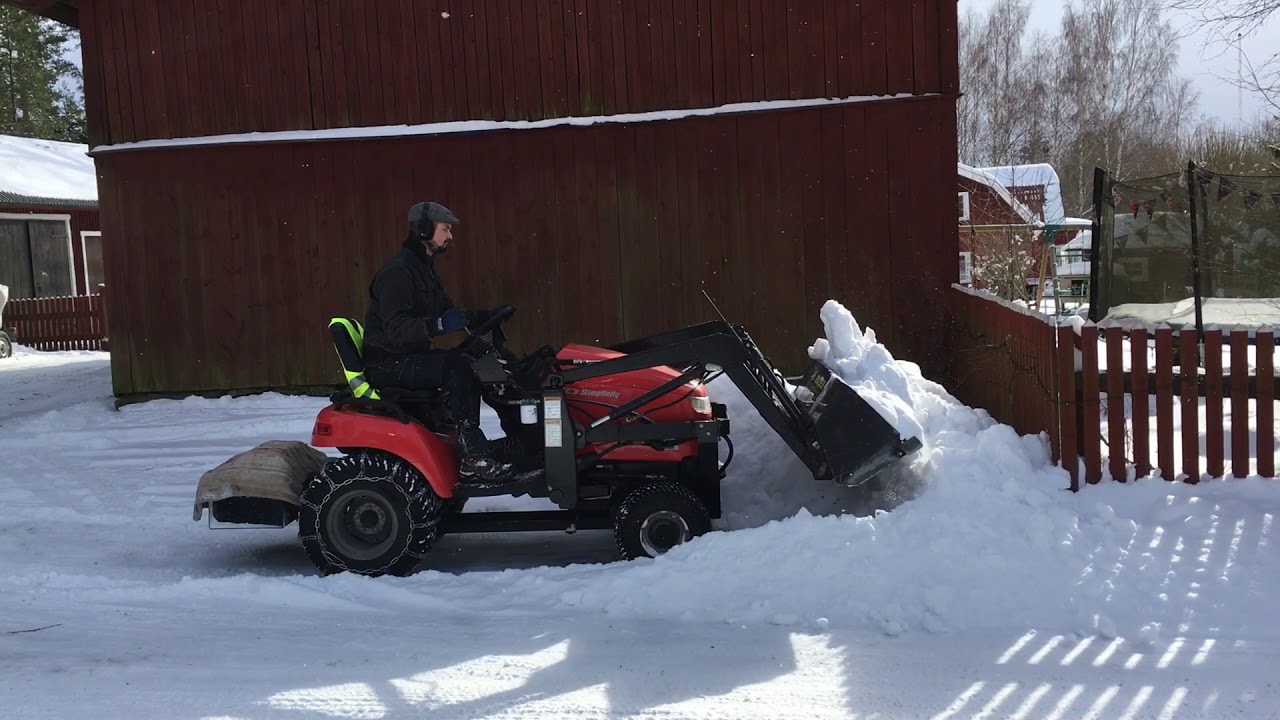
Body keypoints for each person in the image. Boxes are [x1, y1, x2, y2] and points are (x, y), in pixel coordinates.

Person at [360, 201, 515, 483]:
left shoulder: (424, 269)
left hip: (405, 357)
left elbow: (450, 312)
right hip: (387, 362)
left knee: (474, 355)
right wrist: (439, 325)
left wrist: (486, 316)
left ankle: (514, 440)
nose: (450, 235)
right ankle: (473, 456)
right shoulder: (398, 273)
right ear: (423, 229)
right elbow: (397, 330)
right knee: (460, 367)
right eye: (445, 229)